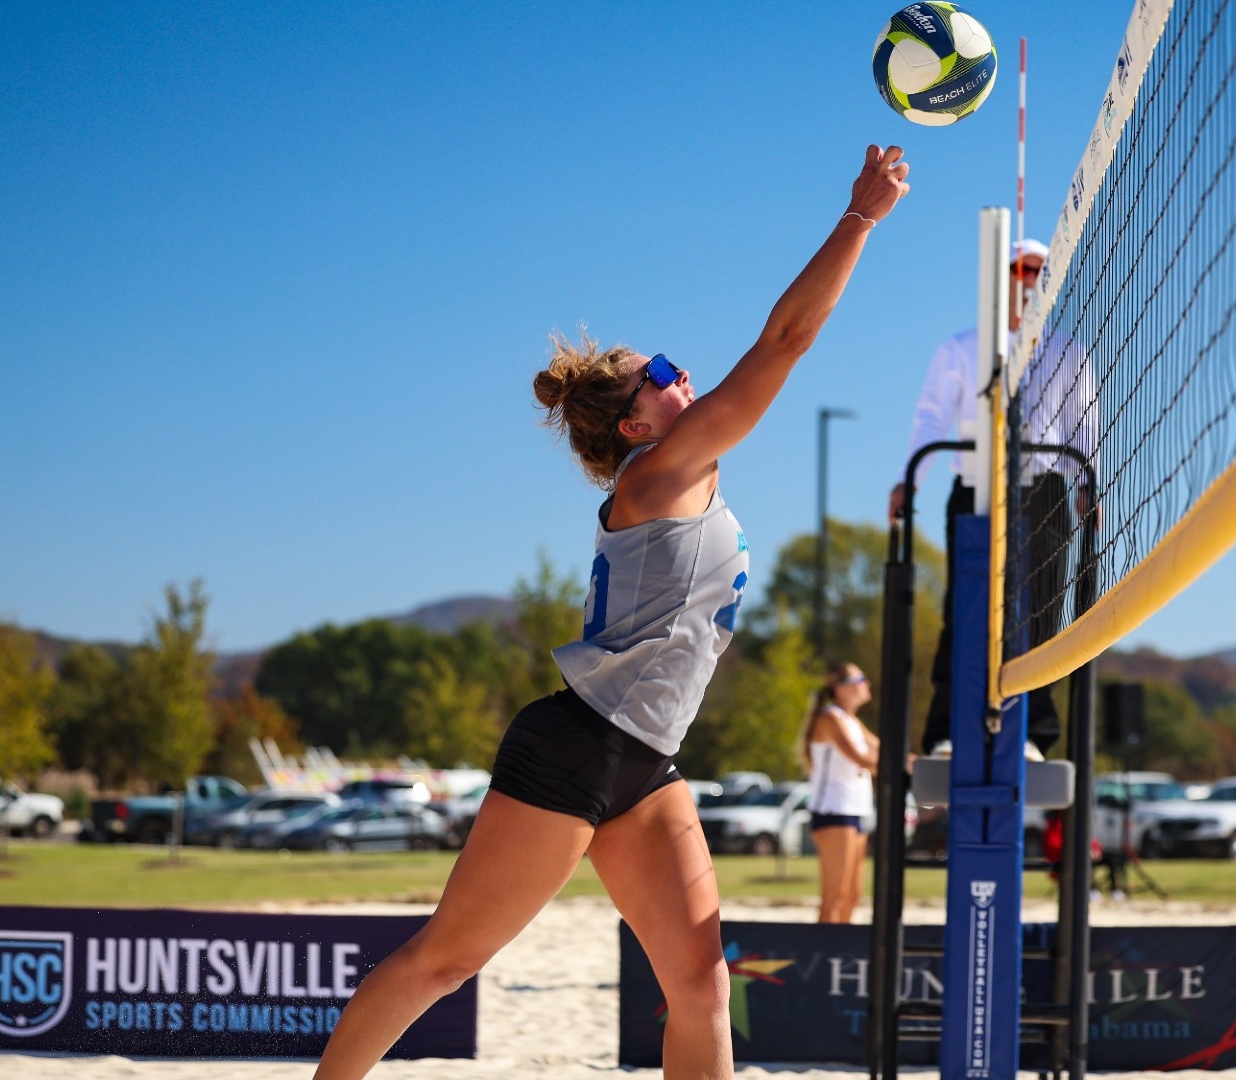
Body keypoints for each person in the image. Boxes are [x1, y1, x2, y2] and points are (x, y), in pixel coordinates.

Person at [311, 145, 910, 1080]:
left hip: (645, 762)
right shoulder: (657, 472)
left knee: (704, 985)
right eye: (662, 371)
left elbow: (771, 353)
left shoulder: (684, 472)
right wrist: (859, 219)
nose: (684, 374)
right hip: (578, 743)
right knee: (449, 959)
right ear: (634, 425)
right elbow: (784, 344)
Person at [890, 238, 1096, 759]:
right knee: (966, 609)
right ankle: (948, 733)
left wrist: (1088, 487)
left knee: (1042, 613)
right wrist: (908, 480)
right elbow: (931, 418)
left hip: (1045, 491)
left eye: (1038, 270)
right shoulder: (960, 348)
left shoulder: (1068, 351)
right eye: (1019, 269)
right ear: (999, 278)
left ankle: (1030, 733)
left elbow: (1085, 429)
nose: (1028, 279)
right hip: (976, 486)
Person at [797, 663, 878, 924]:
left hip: (855, 812)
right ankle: (822, 957)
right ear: (840, 688)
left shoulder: (852, 720)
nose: (867, 684)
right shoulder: (829, 717)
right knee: (835, 895)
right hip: (834, 811)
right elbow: (862, 758)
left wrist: (920, 763)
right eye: (861, 678)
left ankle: (838, 955)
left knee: (853, 894)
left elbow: (885, 751)